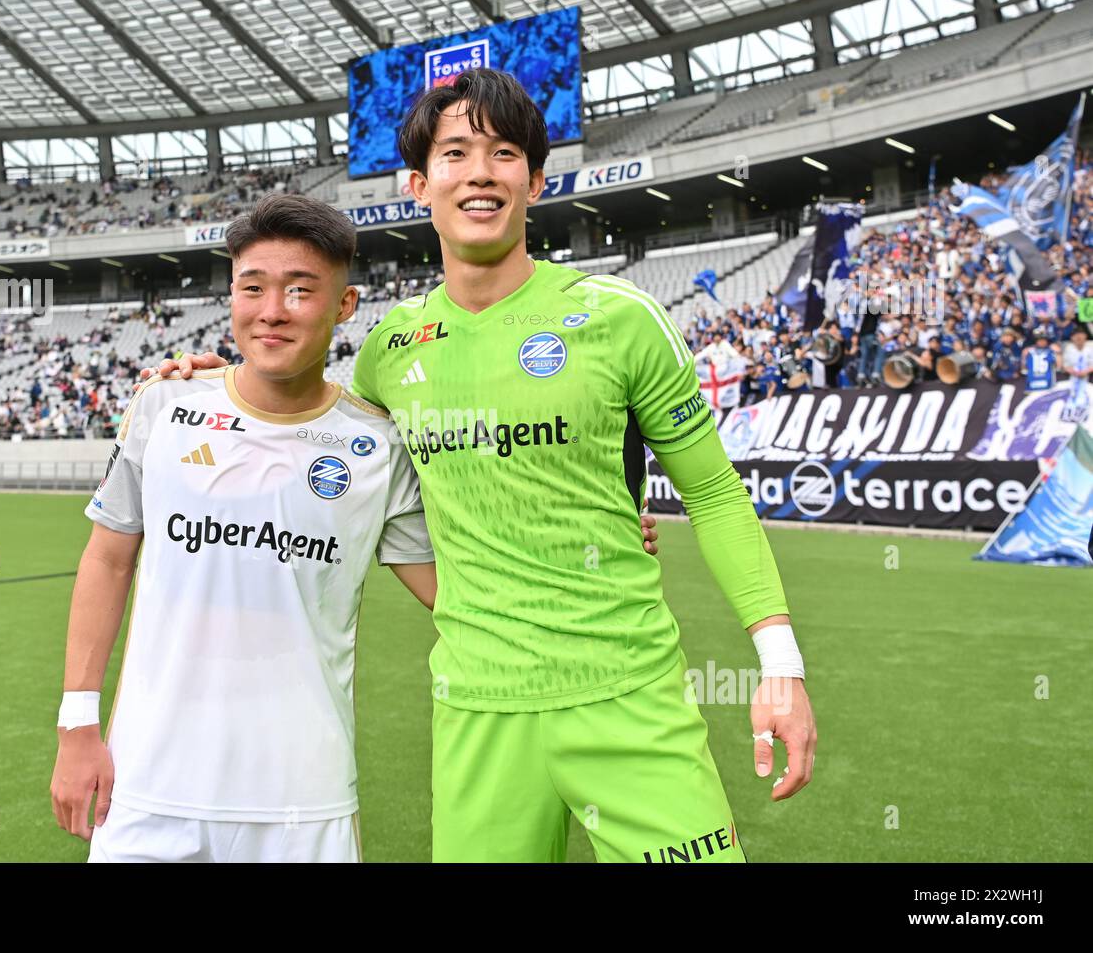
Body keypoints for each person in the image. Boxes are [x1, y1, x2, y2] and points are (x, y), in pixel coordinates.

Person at [149, 69, 815, 863]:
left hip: (631, 693)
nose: (479, 171)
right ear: (417, 183)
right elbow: (306, 439)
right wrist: (217, 385)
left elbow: (712, 490)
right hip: (477, 708)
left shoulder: (620, 320)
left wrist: (780, 664)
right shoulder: (391, 354)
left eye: (503, 153)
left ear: (533, 181)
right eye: (456, 152)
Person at [50, 195, 438, 862]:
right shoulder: (165, 404)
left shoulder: (377, 443)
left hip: (301, 802)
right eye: (252, 288)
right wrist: (77, 724)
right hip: (147, 789)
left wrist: (590, 542)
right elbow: (108, 560)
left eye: (299, 290)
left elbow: (452, 590)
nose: (271, 310)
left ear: (344, 307)